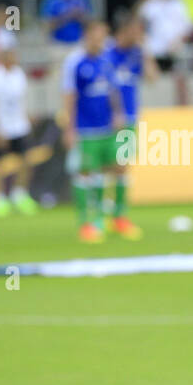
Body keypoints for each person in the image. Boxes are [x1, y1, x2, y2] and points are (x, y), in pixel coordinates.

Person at [62, 20, 124, 242]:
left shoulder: (106, 59)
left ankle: (98, 219)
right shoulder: (75, 62)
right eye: (99, 34)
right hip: (85, 129)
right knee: (85, 173)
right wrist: (69, 128)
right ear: (88, 35)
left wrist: (118, 113)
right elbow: (69, 96)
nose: (102, 39)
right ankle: (84, 222)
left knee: (106, 171)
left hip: (106, 126)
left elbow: (112, 89)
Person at [0, 44, 37, 217]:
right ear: (3, 58)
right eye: (11, 56)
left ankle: (20, 194)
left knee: (26, 159)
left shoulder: (18, 74)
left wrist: (26, 116)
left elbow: (21, 99)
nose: (15, 59)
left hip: (18, 125)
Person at [105, 14, 148, 239]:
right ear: (124, 31)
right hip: (107, 120)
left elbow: (152, 76)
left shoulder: (136, 54)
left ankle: (118, 216)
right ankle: (101, 217)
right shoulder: (107, 54)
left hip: (129, 119)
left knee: (121, 166)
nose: (138, 35)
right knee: (105, 167)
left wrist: (145, 49)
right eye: (135, 31)